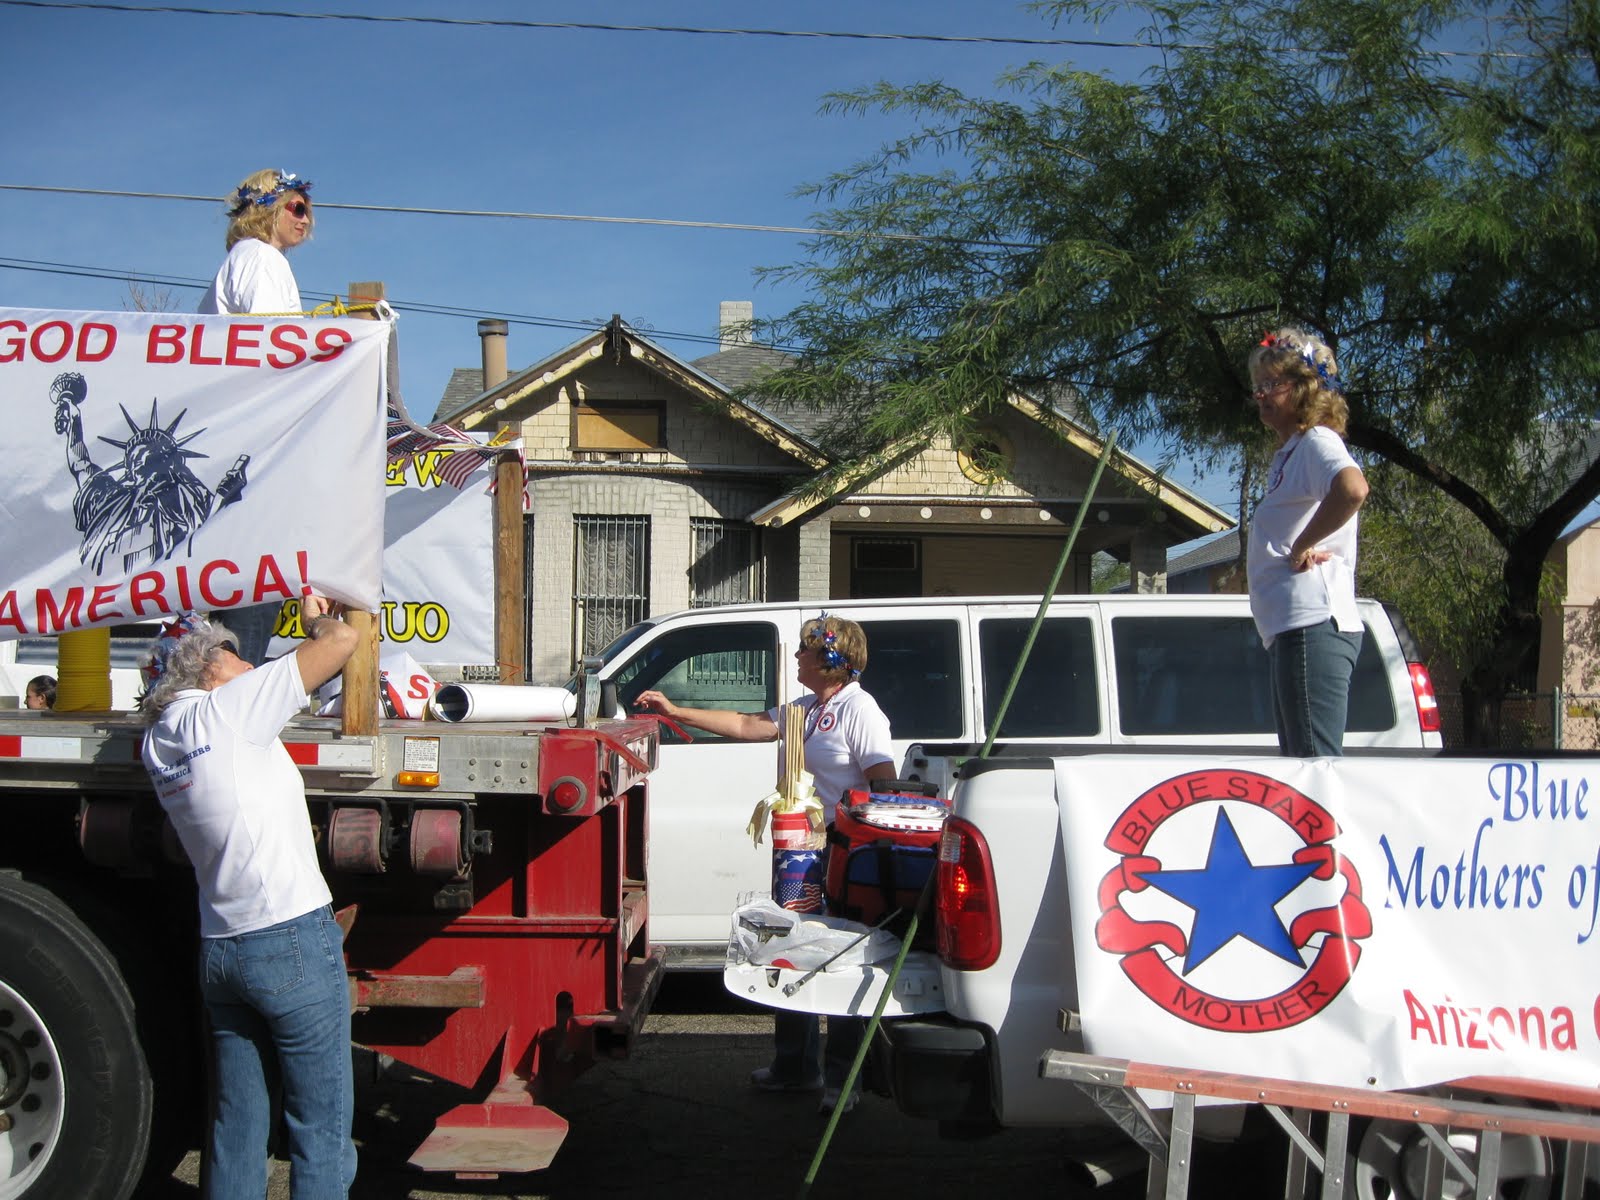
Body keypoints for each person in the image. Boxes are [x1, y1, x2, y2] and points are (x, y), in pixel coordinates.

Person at [139, 596, 359, 1198]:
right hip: (287, 936)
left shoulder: (159, 740)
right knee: (321, 1129)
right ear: (210, 665)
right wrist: (316, 617)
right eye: (239, 654)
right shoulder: (229, 711)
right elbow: (339, 643)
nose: (251, 664)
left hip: (222, 947)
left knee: (236, 1128)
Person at [633, 613, 895, 1115]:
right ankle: (794, 1067)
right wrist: (675, 709)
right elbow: (747, 725)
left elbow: (883, 783)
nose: (796, 655)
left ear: (831, 658)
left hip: (840, 851)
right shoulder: (805, 710)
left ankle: (844, 1081)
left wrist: (851, 838)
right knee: (789, 947)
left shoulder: (861, 711)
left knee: (839, 960)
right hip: (798, 854)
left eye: (804, 649)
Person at [198, 168, 315, 665]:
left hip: (232, 435)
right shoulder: (262, 259)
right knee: (251, 584)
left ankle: (226, 679)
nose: (305, 218)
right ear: (265, 210)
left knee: (241, 586)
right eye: (295, 206)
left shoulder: (244, 262)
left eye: (308, 209)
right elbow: (273, 351)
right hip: (252, 439)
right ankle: (234, 696)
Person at [1246, 327, 1370, 757]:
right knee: (1302, 767)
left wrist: (1303, 545)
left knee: (1315, 771)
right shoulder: (1291, 453)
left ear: (1304, 389)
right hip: (1290, 628)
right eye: (1258, 387)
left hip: (1311, 625)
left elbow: (1353, 489)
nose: (1261, 395)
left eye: (1272, 385)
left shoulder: (1318, 441)